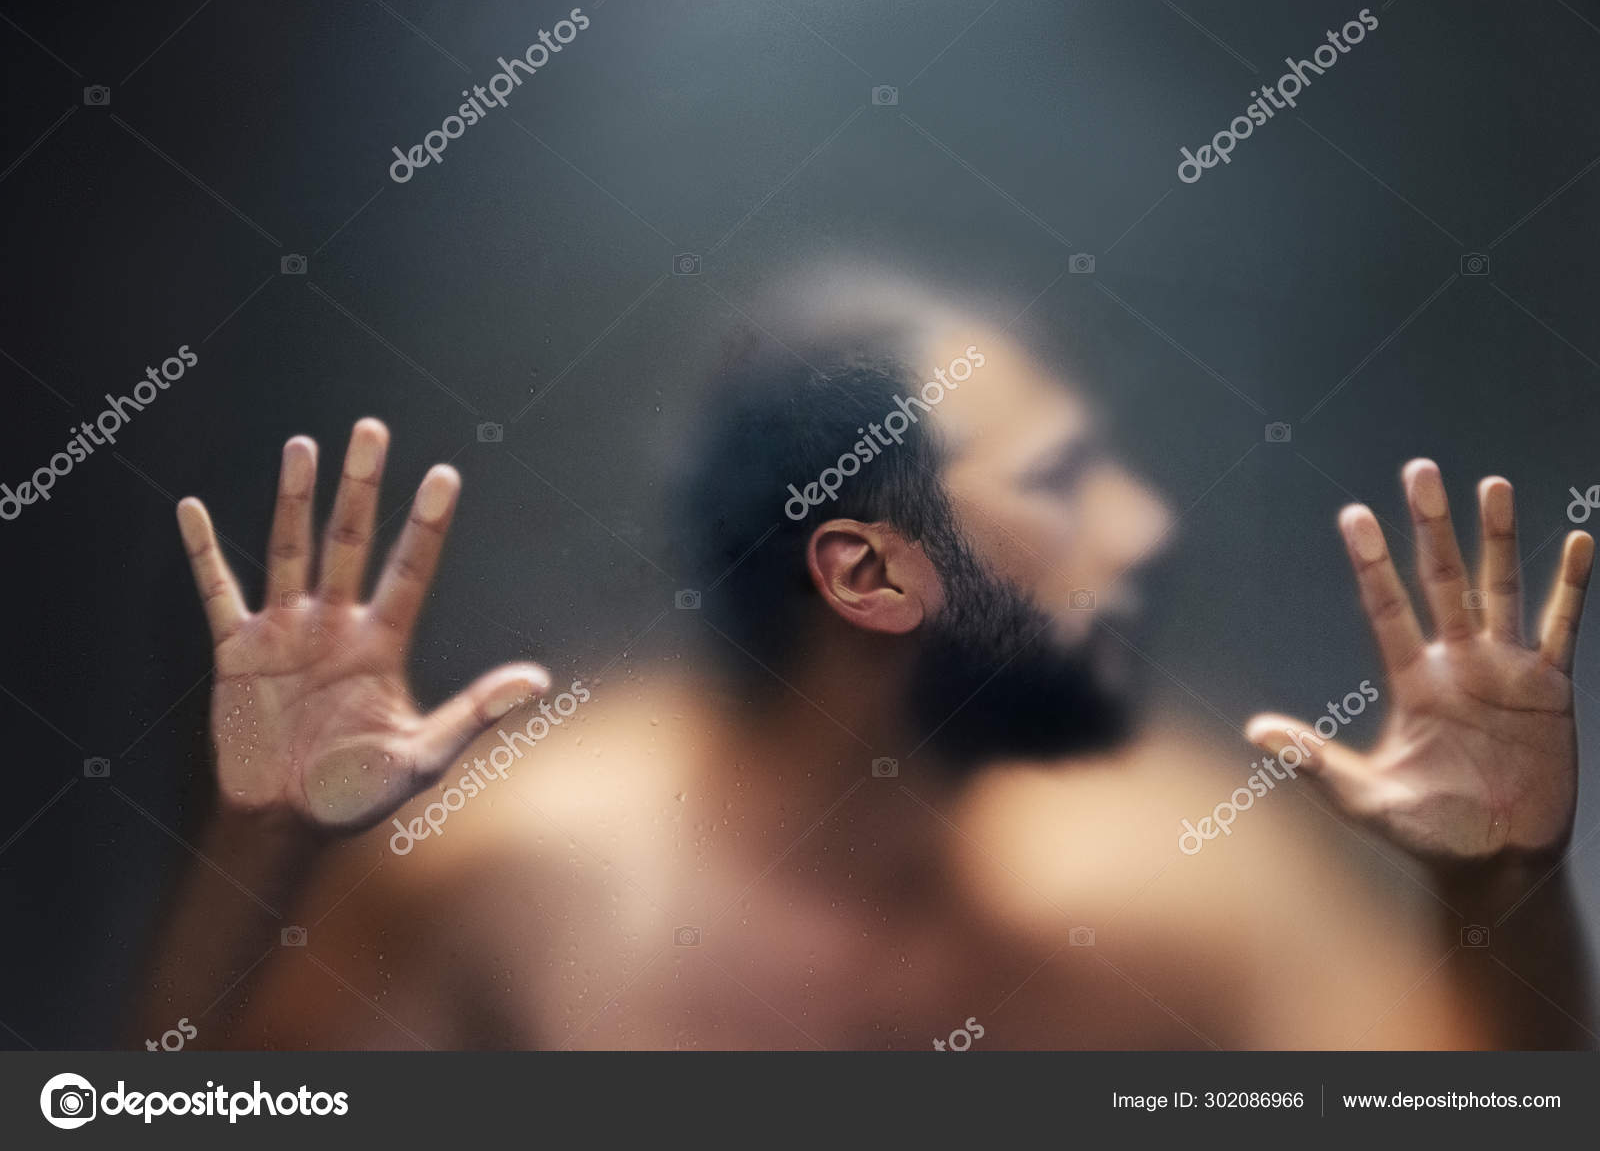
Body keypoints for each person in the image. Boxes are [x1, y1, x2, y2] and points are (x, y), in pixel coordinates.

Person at [143, 276, 1595, 1049]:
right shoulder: (521, 876)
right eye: (1068, 483)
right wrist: (262, 843)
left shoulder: (1176, 892)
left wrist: (1503, 896)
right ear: (870, 570)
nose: (1141, 530)